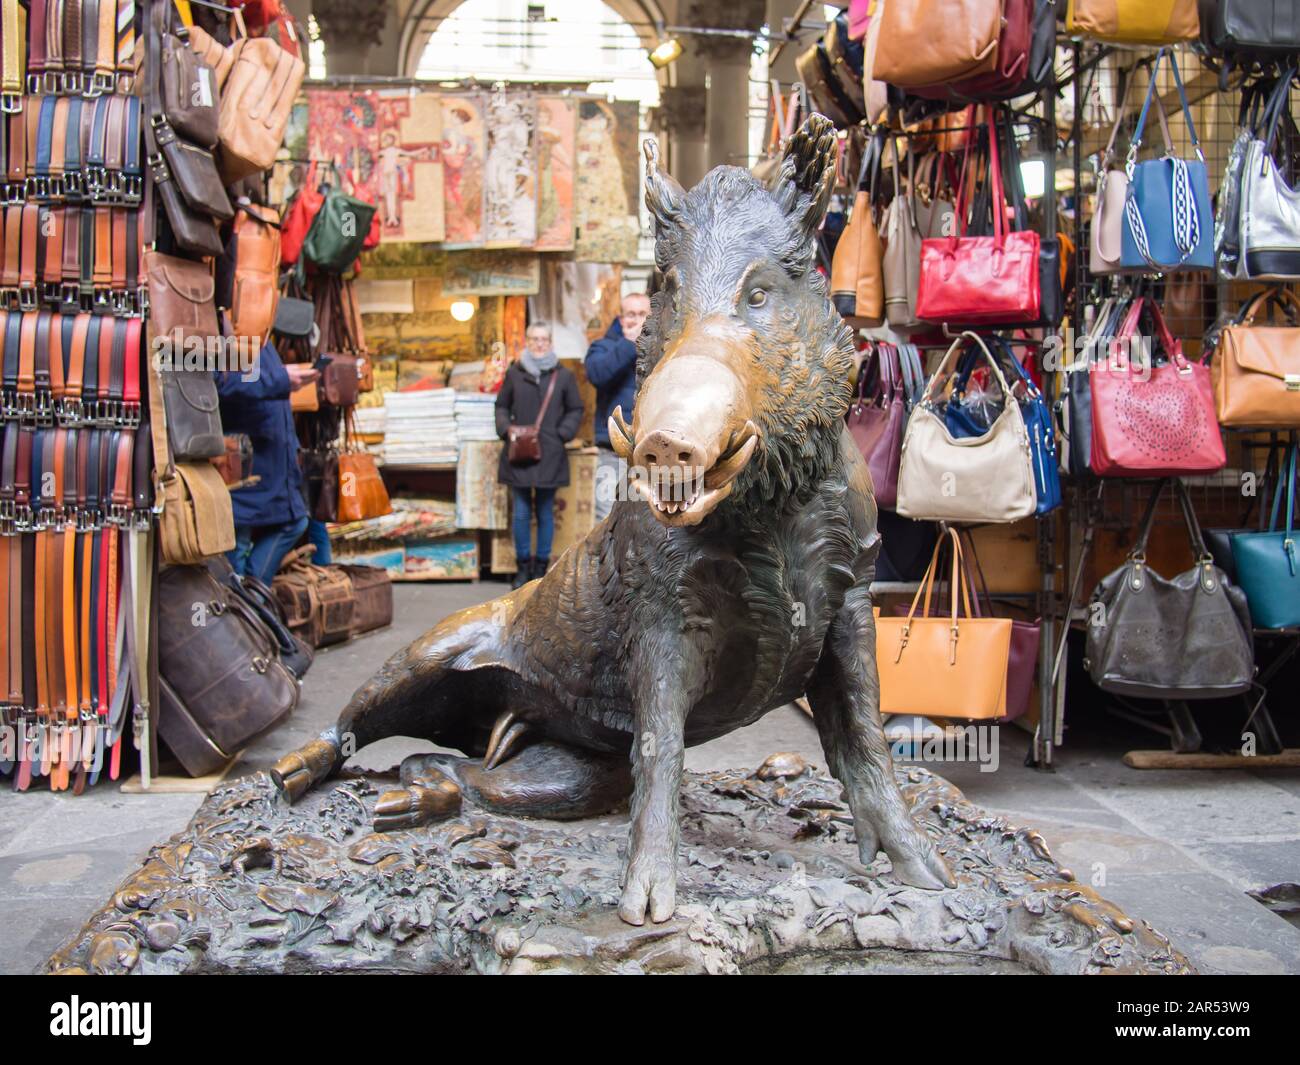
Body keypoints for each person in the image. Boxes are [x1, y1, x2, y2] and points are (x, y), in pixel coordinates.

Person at [217, 341, 319, 584]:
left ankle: (251, 596)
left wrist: (281, 376)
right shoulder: (224, 338)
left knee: (294, 521)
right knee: (238, 540)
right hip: (246, 461)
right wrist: (279, 379)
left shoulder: (257, 337)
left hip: (269, 458)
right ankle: (249, 601)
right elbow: (222, 383)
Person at [495, 322, 583, 588]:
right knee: (521, 512)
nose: (539, 343)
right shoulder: (514, 373)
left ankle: (540, 567)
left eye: (544, 339)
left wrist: (562, 433)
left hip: (550, 452)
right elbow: (501, 406)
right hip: (518, 452)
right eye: (534, 339)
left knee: (545, 511)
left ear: (551, 343)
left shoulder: (564, 376)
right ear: (527, 342)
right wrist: (505, 429)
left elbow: (575, 409)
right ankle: (522, 567)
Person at [584, 292, 649, 522]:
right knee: (607, 518)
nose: (637, 319)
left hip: (651, 453)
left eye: (643, 314)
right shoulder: (604, 346)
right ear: (621, 319)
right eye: (631, 314)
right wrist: (629, 344)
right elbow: (598, 374)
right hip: (613, 451)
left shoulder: (662, 348)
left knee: (646, 521)